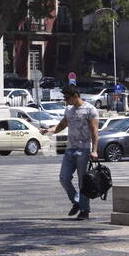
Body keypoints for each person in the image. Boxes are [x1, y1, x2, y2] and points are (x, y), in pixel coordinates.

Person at [44, 86, 99, 220]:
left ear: (75, 96)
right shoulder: (69, 109)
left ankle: (84, 211)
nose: (65, 100)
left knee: (83, 182)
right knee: (64, 178)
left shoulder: (90, 109)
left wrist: (94, 150)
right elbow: (61, 125)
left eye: (67, 97)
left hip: (84, 149)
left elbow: (94, 132)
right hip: (70, 149)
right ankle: (77, 202)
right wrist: (49, 130)